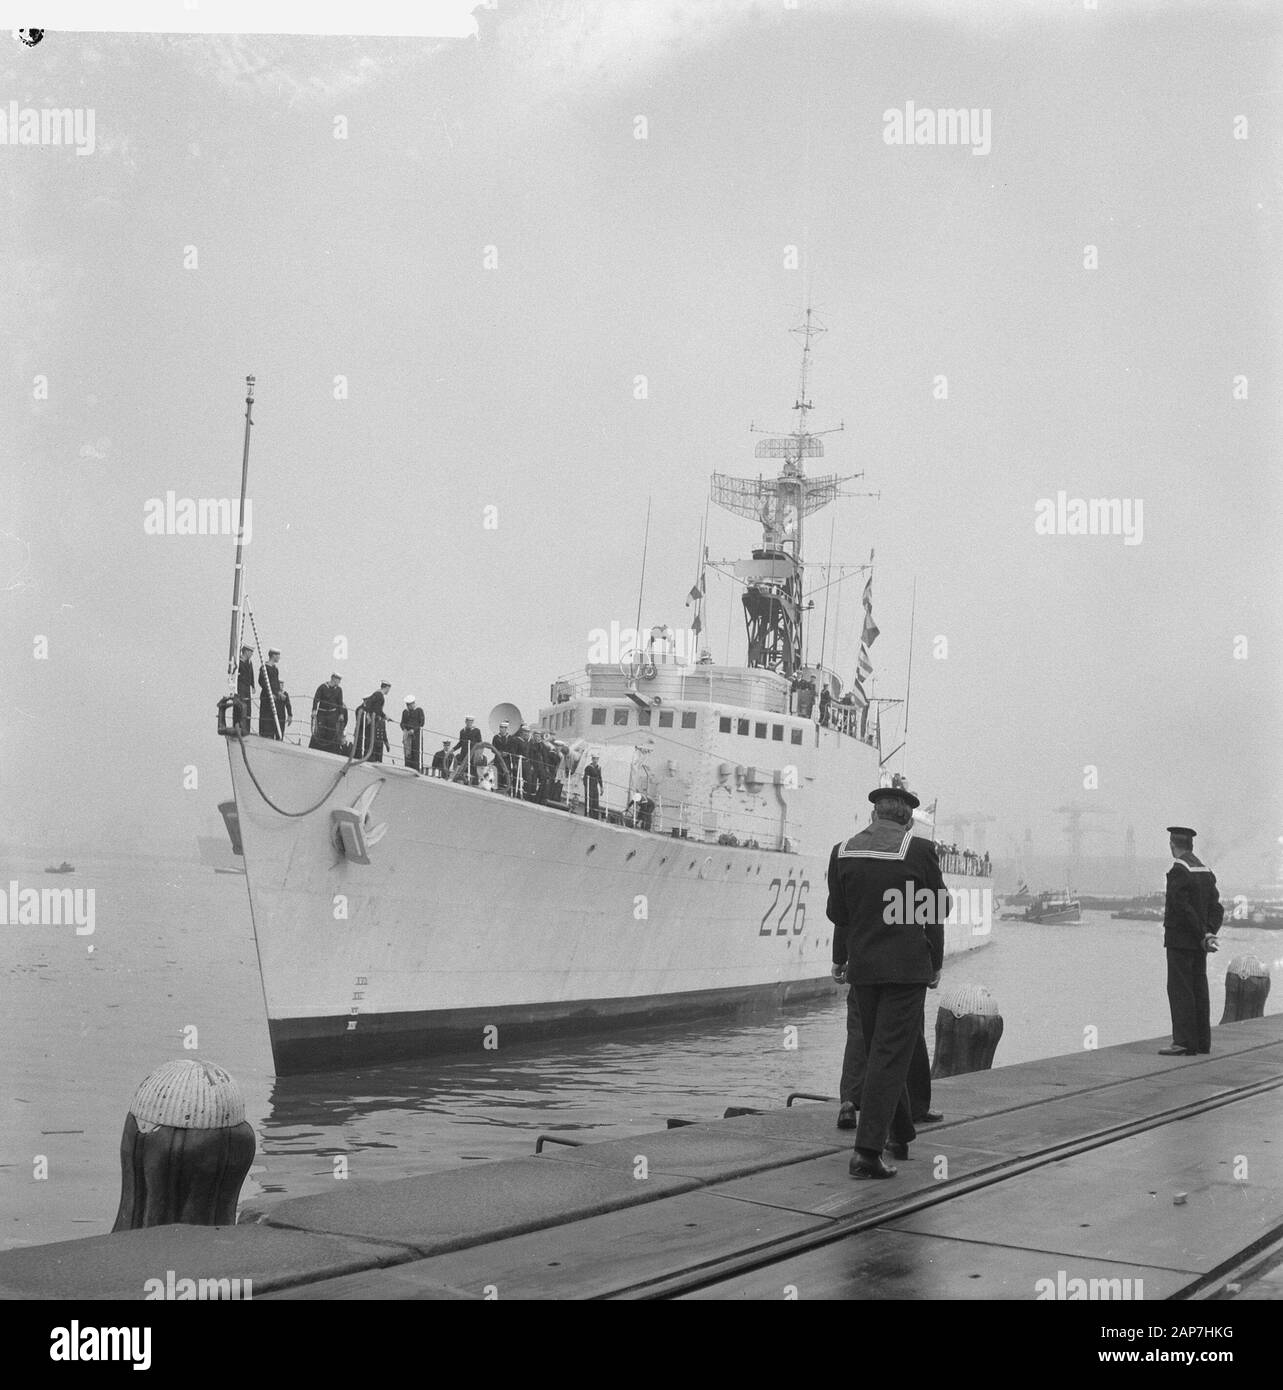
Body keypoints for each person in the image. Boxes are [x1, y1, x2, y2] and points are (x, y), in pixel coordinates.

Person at [827, 784, 948, 1179]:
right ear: (908, 819)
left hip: (863, 969)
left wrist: (839, 959)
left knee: (881, 1047)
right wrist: (936, 963)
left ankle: (901, 1133)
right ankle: (866, 1151)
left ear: (874, 815)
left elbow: (841, 916)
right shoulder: (919, 851)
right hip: (906, 970)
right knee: (890, 1055)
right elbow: (933, 912)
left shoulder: (842, 851)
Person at [1159, 825, 1223, 1056]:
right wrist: (1207, 933)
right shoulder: (1205, 871)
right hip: (1199, 944)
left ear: (1172, 844)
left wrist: (1200, 933)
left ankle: (1183, 1042)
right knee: (1199, 988)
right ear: (1191, 845)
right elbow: (1216, 907)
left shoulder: (1178, 870)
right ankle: (1202, 1042)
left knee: (1180, 990)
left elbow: (1181, 908)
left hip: (1180, 941)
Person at [309, 673, 347, 754]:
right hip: (322, 713)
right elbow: (316, 699)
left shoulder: (339, 690)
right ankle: (318, 749)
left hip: (332, 714)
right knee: (320, 731)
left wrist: (341, 714)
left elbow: (340, 702)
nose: (339, 682)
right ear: (333, 678)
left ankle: (328, 750)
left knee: (331, 732)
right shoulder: (322, 687)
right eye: (338, 679)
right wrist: (314, 710)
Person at [258, 649, 291, 738]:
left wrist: (279, 693)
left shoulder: (275, 669)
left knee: (273, 717)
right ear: (273, 655)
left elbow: (275, 683)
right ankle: (265, 735)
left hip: (274, 698)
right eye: (278, 655)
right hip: (267, 697)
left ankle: (271, 735)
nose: (279, 657)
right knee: (266, 717)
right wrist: (270, 693)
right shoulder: (265, 668)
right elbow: (262, 682)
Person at [356, 682, 392, 762]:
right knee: (368, 740)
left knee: (370, 741)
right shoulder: (379, 695)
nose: (388, 691)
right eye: (389, 689)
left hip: (374, 721)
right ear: (386, 687)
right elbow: (371, 705)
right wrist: (368, 715)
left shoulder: (378, 695)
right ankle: (366, 758)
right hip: (371, 722)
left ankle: (368, 757)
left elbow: (378, 709)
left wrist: (385, 717)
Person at [453, 717, 482, 785]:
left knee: (473, 768)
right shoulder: (462, 731)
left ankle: (474, 783)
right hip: (463, 753)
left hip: (472, 753)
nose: (469, 723)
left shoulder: (476, 731)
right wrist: (453, 749)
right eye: (468, 721)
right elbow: (460, 743)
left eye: (471, 721)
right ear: (466, 722)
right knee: (461, 767)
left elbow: (480, 742)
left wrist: (479, 753)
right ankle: (462, 781)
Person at [400, 696, 424, 772]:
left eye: (411, 704)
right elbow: (402, 723)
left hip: (416, 736)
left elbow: (421, 723)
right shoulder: (405, 712)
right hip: (407, 737)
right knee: (407, 754)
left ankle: (417, 770)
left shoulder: (419, 711)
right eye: (408, 705)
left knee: (416, 753)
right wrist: (405, 729)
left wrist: (414, 730)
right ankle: (407, 768)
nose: (409, 706)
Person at [235, 644, 255, 733]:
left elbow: (252, 674)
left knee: (248, 708)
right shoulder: (239, 662)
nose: (251, 654)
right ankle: (239, 725)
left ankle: (247, 728)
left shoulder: (249, 663)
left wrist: (253, 685)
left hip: (247, 687)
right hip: (241, 686)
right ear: (246, 651)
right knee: (241, 706)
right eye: (251, 652)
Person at [491, 720, 514, 790]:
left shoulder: (510, 738)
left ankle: (504, 789)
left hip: (506, 760)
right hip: (498, 759)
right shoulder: (496, 737)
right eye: (500, 727)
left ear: (506, 729)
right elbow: (492, 748)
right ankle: (495, 787)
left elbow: (512, 749)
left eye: (503, 728)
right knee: (497, 773)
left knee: (506, 773)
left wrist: (507, 753)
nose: (501, 729)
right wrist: (498, 753)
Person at [583, 754, 603, 819]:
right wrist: (586, 787)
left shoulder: (599, 768)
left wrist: (601, 787)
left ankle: (594, 816)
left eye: (597, 759)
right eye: (594, 759)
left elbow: (599, 777)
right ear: (592, 759)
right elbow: (585, 778)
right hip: (590, 786)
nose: (595, 760)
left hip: (595, 786)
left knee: (595, 801)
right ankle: (587, 814)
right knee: (589, 801)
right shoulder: (588, 767)